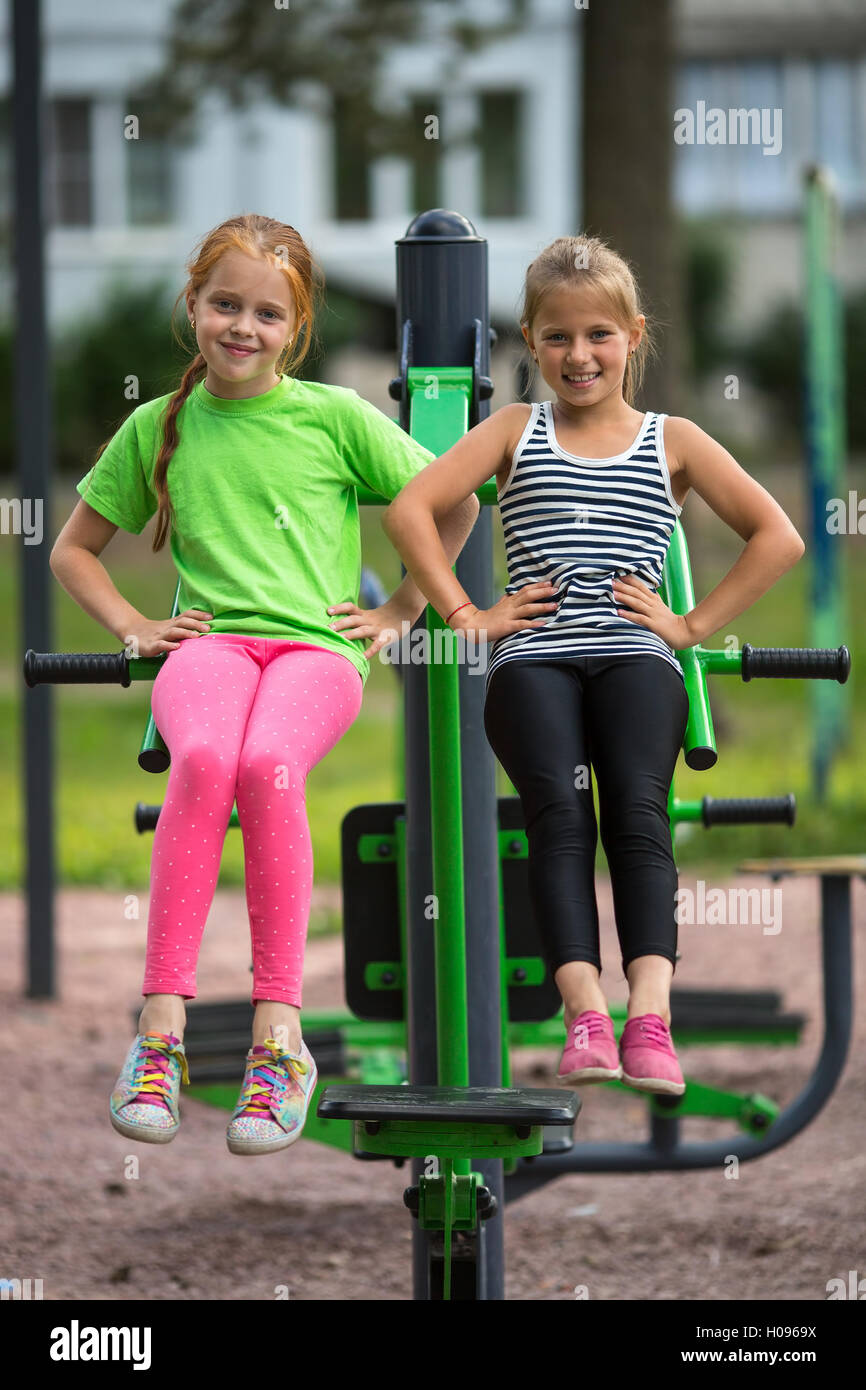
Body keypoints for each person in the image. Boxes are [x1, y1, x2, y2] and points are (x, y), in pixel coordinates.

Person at [49, 213, 479, 1153]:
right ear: (193, 307)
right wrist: (132, 624)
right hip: (209, 646)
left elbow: (454, 501)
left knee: (270, 767)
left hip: (317, 651)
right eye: (224, 305)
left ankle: (276, 1042)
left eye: (267, 315)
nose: (243, 327)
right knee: (204, 759)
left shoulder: (332, 417)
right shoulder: (157, 426)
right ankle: (159, 1036)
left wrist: (404, 610)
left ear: (298, 328)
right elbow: (74, 550)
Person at [377, 233, 805, 1095]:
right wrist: (467, 614)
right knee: (560, 824)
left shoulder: (671, 439)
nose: (580, 355)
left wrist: (691, 626)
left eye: (599, 335)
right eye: (559, 337)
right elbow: (413, 509)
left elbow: (779, 536)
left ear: (633, 336)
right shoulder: (512, 429)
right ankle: (585, 1014)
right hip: (532, 660)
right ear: (530, 342)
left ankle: (651, 1016)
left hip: (636, 660)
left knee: (639, 820)